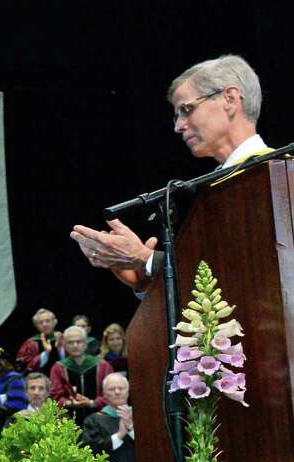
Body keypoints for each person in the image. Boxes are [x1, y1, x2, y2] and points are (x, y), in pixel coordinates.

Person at [71, 54, 272, 292]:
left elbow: (260, 278)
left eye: (186, 110)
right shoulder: (218, 185)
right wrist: (147, 281)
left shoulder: (276, 176)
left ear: (230, 98)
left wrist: (146, 259)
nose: (178, 126)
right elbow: (220, 285)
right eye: (177, 115)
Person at [82, 372, 137, 462]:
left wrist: (131, 428)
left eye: (121, 388)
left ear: (128, 391)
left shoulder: (141, 416)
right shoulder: (93, 420)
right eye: (112, 389)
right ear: (104, 394)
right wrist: (119, 435)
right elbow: (91, 452)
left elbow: (151, 447)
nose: (117, 392)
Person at [49, 325, 113, 426]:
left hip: (101, 422)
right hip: (67, 423)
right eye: (70, 342)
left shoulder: (103, 365)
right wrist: (71, 403)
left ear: (85, 344)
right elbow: (55, 397)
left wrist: (92, 403)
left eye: (79, 341)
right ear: (65, 345)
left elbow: (111, 395)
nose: (75, 345)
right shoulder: (58, 368)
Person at [15, 308, 63, 374]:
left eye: (47, 321)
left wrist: (60, 349)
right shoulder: (30, 343)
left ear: (55, 322)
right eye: (40, 322)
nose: (44, 324)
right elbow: (23, 366)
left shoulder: (64, 339)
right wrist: (46, 353)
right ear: (36, 326)